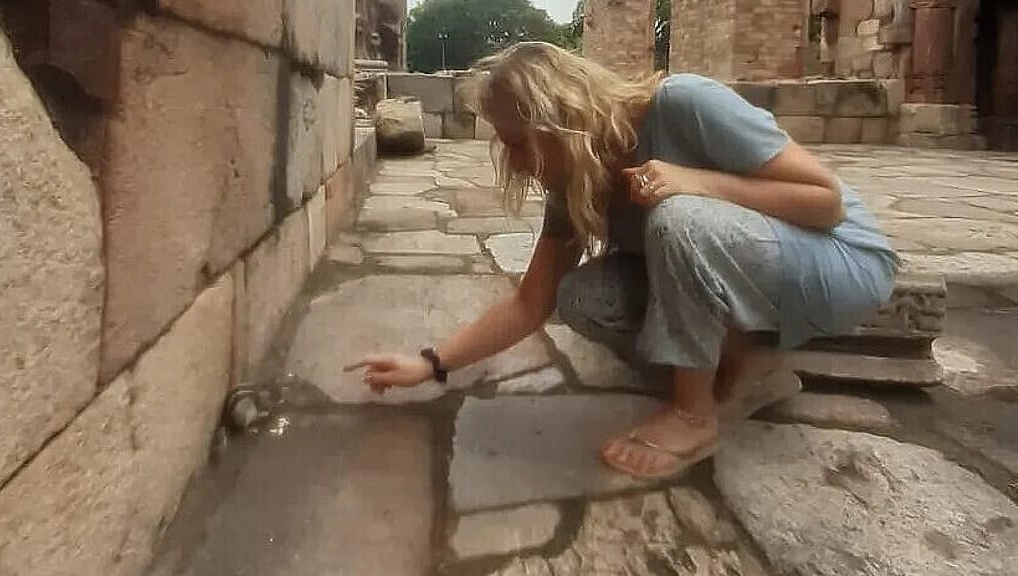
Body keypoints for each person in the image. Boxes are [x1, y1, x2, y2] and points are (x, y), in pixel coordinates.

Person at [351, 42, 898, 480]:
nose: (511, 161)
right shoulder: (577, 176)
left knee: (677, 216)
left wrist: (697, 182)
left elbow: (824, 203)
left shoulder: (683, 102)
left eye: (514, 141)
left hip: (839, 258)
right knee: (582, 298)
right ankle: (749, 366)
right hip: (754, 265)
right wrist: (431, 363)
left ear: (556, 121)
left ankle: (694, 414)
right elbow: (531, 303)